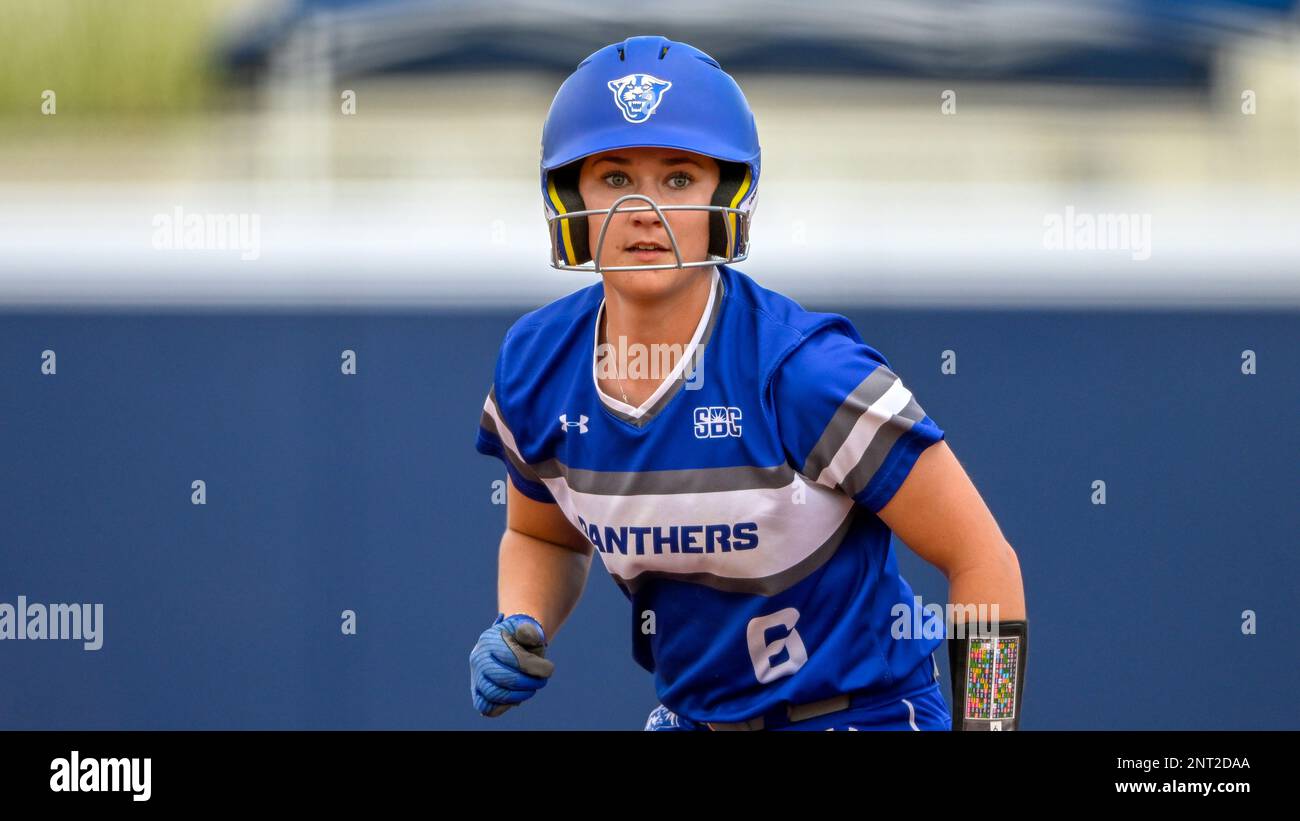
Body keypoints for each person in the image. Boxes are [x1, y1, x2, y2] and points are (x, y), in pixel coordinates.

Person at [469, 35, 1027, 731]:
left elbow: (983, 560)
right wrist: (520, 620)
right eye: (614, 177)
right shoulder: (537, 366)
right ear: (568, 196)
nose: (643, 209)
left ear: (725, 199)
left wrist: (991, 728)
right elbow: (546, 537)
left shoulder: (802, 374)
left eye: (678, 178)